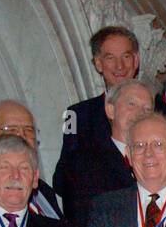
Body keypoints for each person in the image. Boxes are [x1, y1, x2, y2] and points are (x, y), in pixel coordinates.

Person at [52, 78, 155, 227]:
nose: (140, 113)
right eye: (131, 104)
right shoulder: (83, 164)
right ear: (110, 110)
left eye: (147, 109)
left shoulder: (159, 160)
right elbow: (81, 224)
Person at [60, 25, 141, 156]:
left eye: (126, 56)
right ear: (98, 63)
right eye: (110, 58)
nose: (119, 66)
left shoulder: (163, 112)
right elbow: (65, 171)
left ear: (136, 60)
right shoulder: (76, 115)